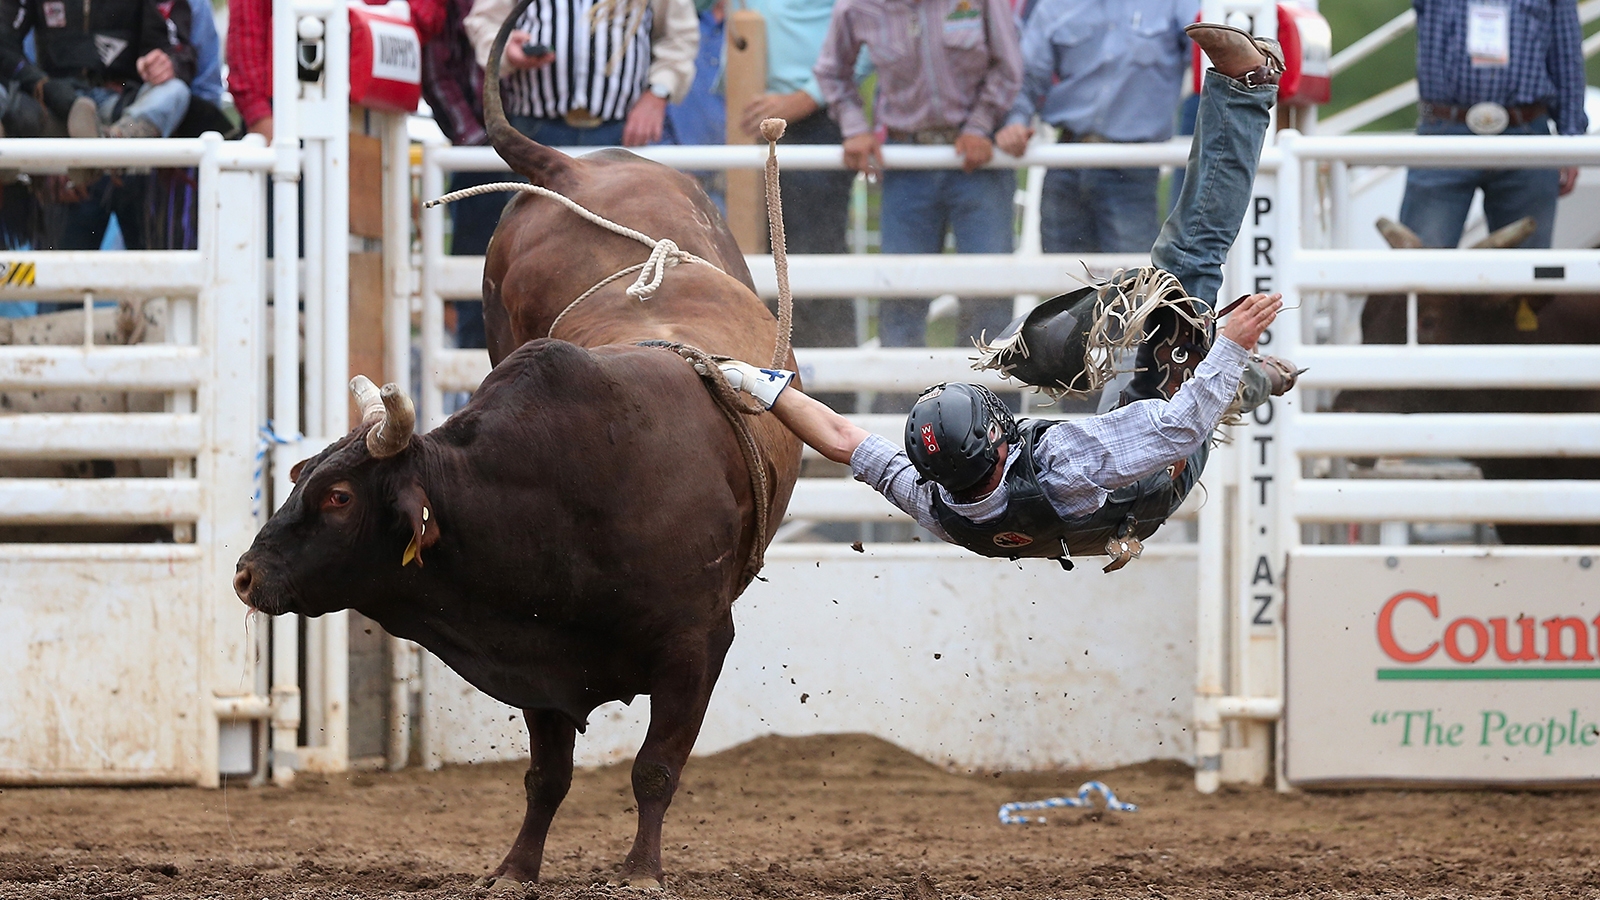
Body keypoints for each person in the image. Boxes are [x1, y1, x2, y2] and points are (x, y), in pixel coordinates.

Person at [717, 23, 1299, 568]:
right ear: (996, 448)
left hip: (1096, 516)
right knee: (1182, 274)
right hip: (1152, 474)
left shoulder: (935, 498)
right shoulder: (1064, 460)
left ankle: (1255, 379)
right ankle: (1243, 90)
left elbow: (843, 439)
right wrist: (1228, 345)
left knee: (1171, 353)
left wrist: (756, 384)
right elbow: (1175, 430)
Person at [812, 0, 1022, 388]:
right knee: (901, 295)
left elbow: (1009, 67)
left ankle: (993, 429)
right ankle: (902, 426)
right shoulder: (857, 7)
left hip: (975, 159)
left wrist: (981, 123)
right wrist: (855, 126)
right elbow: (831, 72)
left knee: (989, 297)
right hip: (907, 162)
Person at [995, 0, 1197, 254]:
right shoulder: (1055, 6)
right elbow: (1026, 78)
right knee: (1065, 284)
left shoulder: (1174, 4)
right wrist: (1015, 122)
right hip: (1067, 159)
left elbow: (1210, 56)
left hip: (1132, 163)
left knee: (1131, 285)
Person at [1398, 0, 1587, 250]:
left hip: (1527, 133)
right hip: (1444, 131)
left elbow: (1567, 53)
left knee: (1526, 271)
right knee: (1418, 265)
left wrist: (1571, 139)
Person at [463, 0, 698, 149]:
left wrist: (658, 93)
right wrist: (507, 49)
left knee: (615, 224)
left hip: (620, 131)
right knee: (539, 224)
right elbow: (484, 23)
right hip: (534, 130)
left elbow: (680, 38)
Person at [0, 0, 195, 142]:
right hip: (52, 102)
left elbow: (176, 48)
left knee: (175, 90)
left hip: (119, 102)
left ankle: (117, 144)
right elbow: (3, 41)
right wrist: (41, 84)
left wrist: (167, 63)